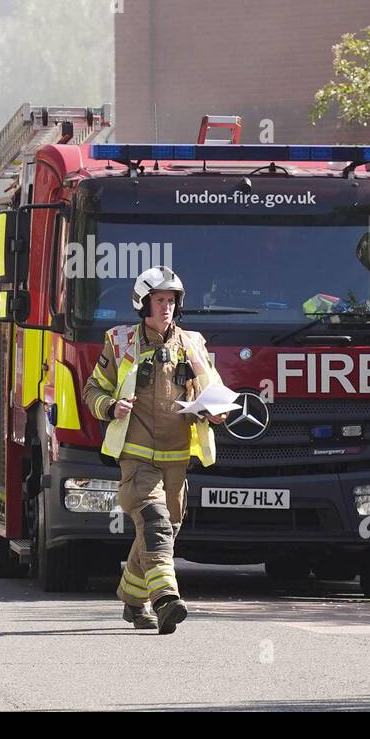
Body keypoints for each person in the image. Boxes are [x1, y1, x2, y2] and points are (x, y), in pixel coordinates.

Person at [82, 266, 226, 634]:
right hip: (137, 456)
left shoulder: (192, 344)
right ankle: (166, 600)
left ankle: (132, 599)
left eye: (172, 300)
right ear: (143, 303)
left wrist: (217, 411)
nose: (167, 307)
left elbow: (214, 392)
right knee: (156, 524)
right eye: (160, 300)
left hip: (178, 459)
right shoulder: (120, 342)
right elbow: (92, 390)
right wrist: (112, 407)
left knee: (160, 532)